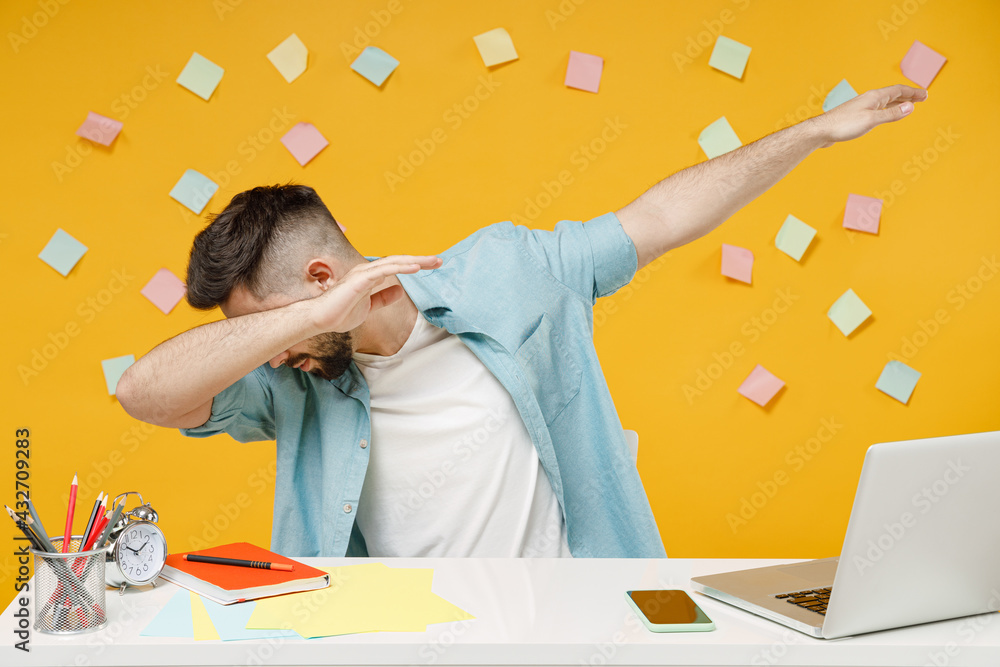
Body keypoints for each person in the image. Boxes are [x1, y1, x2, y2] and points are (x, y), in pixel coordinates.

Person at [117, 84, 927, 558]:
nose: (273, 352)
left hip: (572, 625)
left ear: (323, 272)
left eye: (271, 323)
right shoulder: (289, 378)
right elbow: (145, 394)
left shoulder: (506, 271)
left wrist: (817, 131)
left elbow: (659, 219)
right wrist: (309, 319)